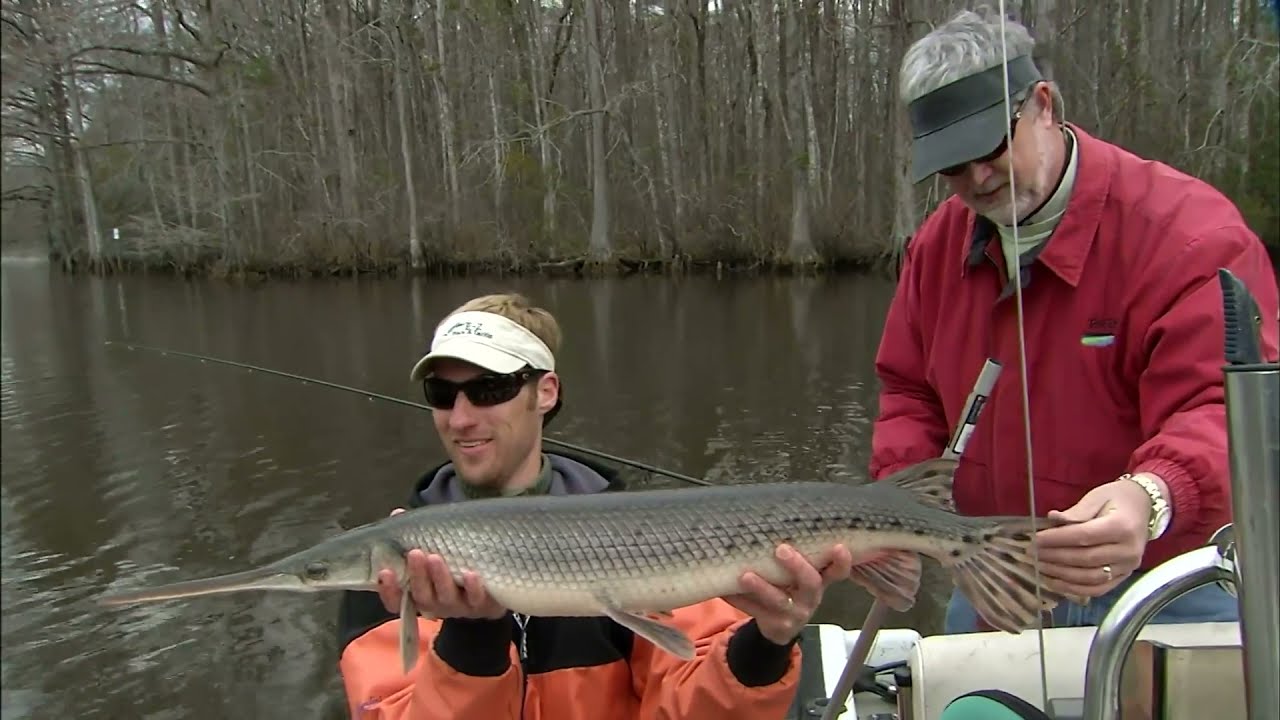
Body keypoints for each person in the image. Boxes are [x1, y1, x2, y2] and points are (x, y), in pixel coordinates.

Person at [870, 7, 1279, 634]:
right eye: (952, 166)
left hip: (1172, 582)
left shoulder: (1191, 238)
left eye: (990, 148)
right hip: (996, 579)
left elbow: (1225, 410)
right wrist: (900, 502)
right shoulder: (935, 249)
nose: (977, 178)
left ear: (1043, 105)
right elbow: (908, 391)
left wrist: (1151, 496)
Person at [335, 292, 855, 719]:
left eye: (489, 390)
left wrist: (765, 644)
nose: (462, 417)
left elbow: (692, 708)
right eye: (442, 393)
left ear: (545, 392)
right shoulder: (390, 570)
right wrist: (471, 638)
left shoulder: (643, 536)